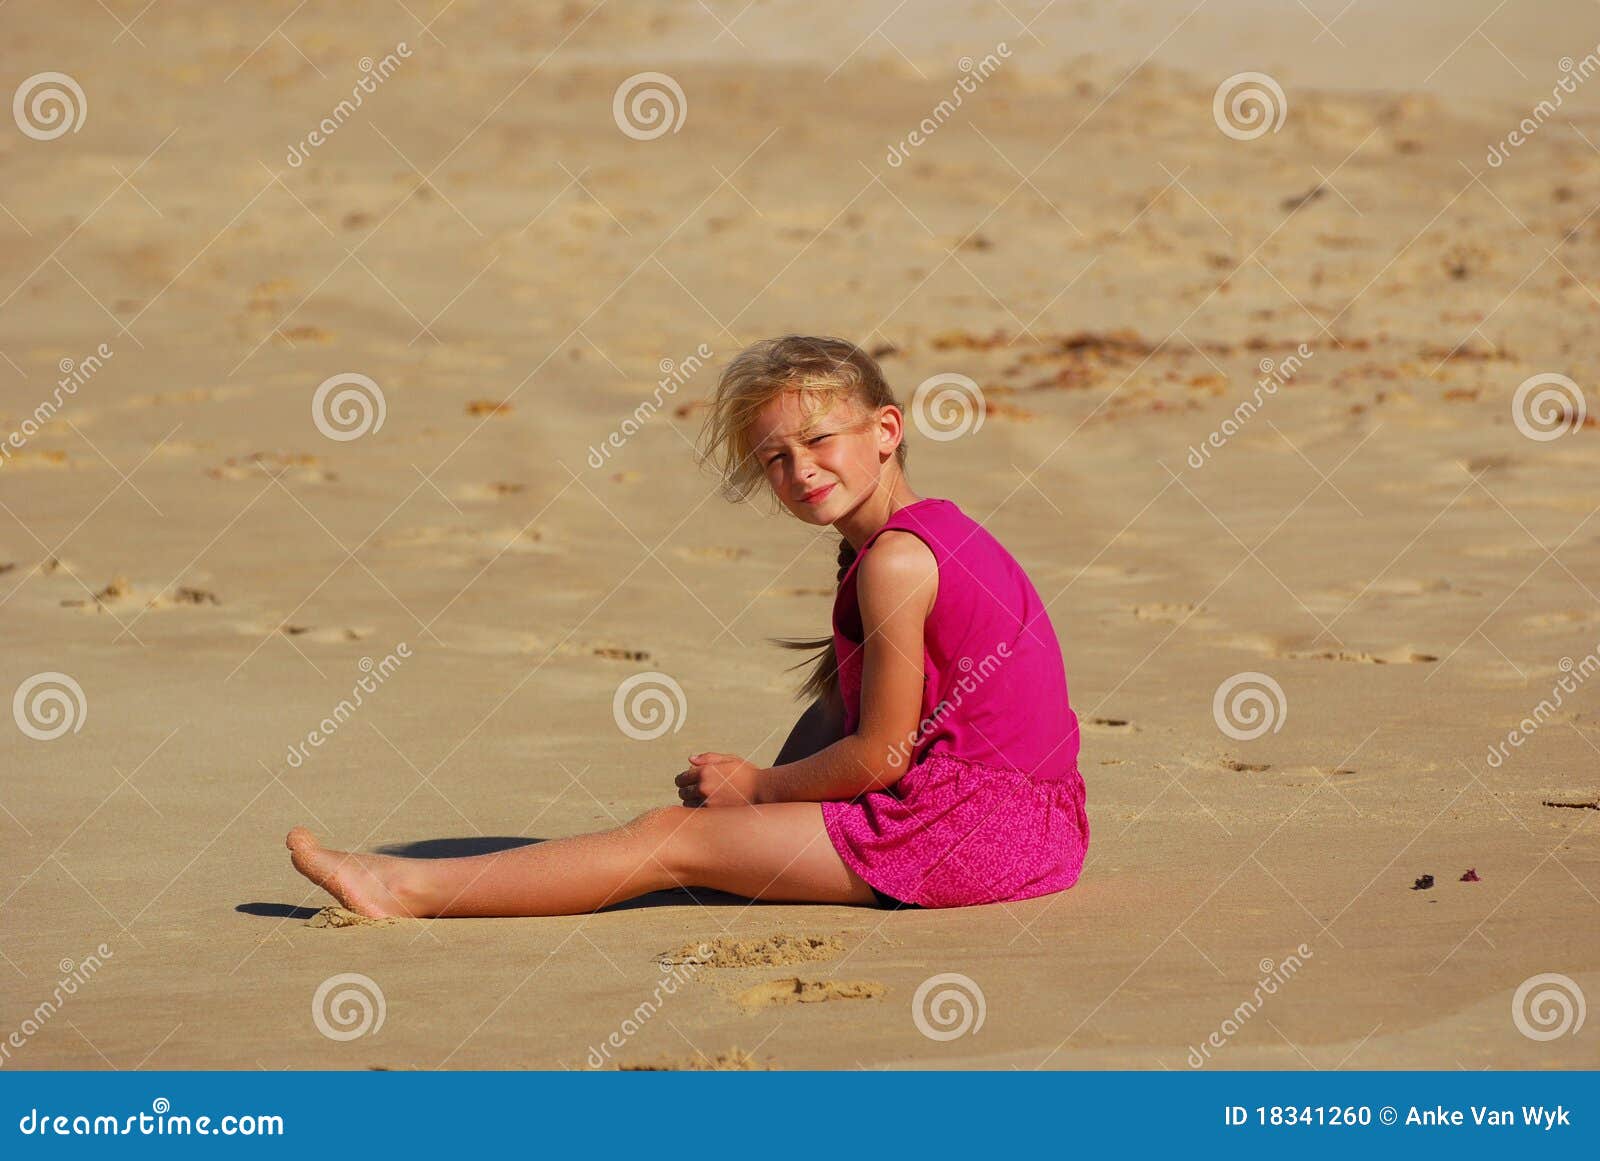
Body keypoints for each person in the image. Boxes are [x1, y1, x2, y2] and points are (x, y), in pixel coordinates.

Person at [285, 335, 1088, 917]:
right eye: (774, 458)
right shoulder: (923, 535)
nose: (800, 469)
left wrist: (763, 788)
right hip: (1043, 823)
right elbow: (845, 711)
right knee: (711, 837)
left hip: (967, 834)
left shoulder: (895, 563)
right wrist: (754, 808)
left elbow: (880, 755)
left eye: (819, 439)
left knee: (665, 840)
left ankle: (401, 887)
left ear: (886, 430)